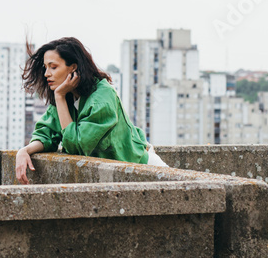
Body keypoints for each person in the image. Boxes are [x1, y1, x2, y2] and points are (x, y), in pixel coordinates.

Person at [15, 36, 167, 184]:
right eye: (45, 67)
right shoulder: (67, 96)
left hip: (143, 167)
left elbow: (77, 146)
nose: (47, 73)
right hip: (116, 176)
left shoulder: (102, 95)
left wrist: (59, 96)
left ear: (73, 67)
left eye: (53, 67)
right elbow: (47, 133)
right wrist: (24, 151)